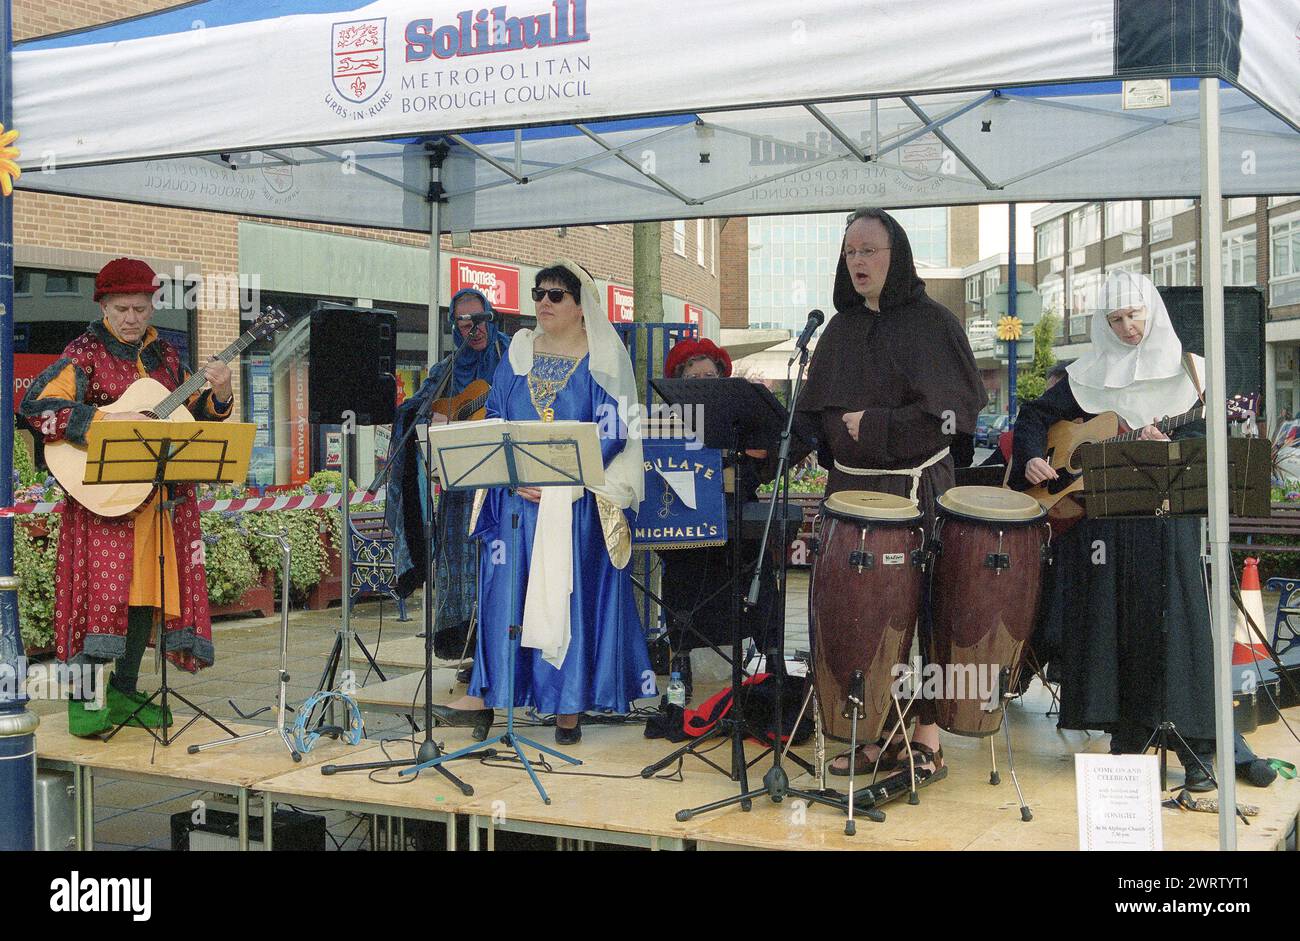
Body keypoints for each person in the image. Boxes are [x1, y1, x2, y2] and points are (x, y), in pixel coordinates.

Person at [793, 208, 986, 786]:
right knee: (861, 613)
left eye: (869, 250)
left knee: (921, 607)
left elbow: (952, 419)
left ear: (895, 255)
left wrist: (872, 425)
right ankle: (873, 731)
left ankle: (925, 734)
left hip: (915, 487)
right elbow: (814, 413)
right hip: (850, 493)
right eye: (850, 251)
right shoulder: (839, 330)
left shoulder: (934, 324)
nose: (858, 261)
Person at [430, 261, 653, 744]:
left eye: (556, 295)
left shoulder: (604, 359)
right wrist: (512, 476)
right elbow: (496, 416)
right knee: (503, 596)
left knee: (564, 597)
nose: (544, 304)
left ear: (580, 305)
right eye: (539, 294)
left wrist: (563, 479)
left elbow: (613, 428)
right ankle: (495, 692)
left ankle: (566, 706)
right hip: (516, 504)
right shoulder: (518, 353)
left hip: (576, 507)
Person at [1011, 270, 1217, 789]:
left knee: (1175, 625)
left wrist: (1167, 441)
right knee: (1112, 625)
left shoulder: (1192, 373)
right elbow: (1034, 415)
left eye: (1134, 315)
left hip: (1167, 523)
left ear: (1153, 311)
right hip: (1102, 524)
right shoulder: (1087, 375)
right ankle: (1127, 734)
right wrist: (1035, 456)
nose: (1127, 327)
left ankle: (1193, 745)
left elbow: (1207, 434)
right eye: (1116, 319)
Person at [21, 257, 234, 737]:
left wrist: (218, 396)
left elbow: (191, 417)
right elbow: (35, 406)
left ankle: (124, 690)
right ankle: (83, 700)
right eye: (121, 308)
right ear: (103, 305)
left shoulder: (168, 358)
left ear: (152, 305)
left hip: (157, 503)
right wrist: (102, 424)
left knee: (145, 596)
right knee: (100, 598)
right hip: (103, 503)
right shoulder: (83, 354)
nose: (132, 318)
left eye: (140, 308)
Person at [387, 288, 509, 660]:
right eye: (464, 320)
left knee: (498, 567)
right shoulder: (447, 369)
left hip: (504, 489)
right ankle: (464, 647)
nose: (475, 327)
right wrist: (433, 417)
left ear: (491, 315)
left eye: (480, 317)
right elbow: (412, 412)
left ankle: (503, 647)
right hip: (459, 491)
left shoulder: (512, 358)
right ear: (455, 326)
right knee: (458, 567)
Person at [655, 337, 780, 701]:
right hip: (686, 521)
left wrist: (747, 463)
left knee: (758, 574)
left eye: (711, 374)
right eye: (696, 376)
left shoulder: (742, 416)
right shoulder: (667, 420)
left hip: (738, 516)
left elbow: (765, 462)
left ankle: (773, 666)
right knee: (680, 575)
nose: (705, 381)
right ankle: (681, 670)